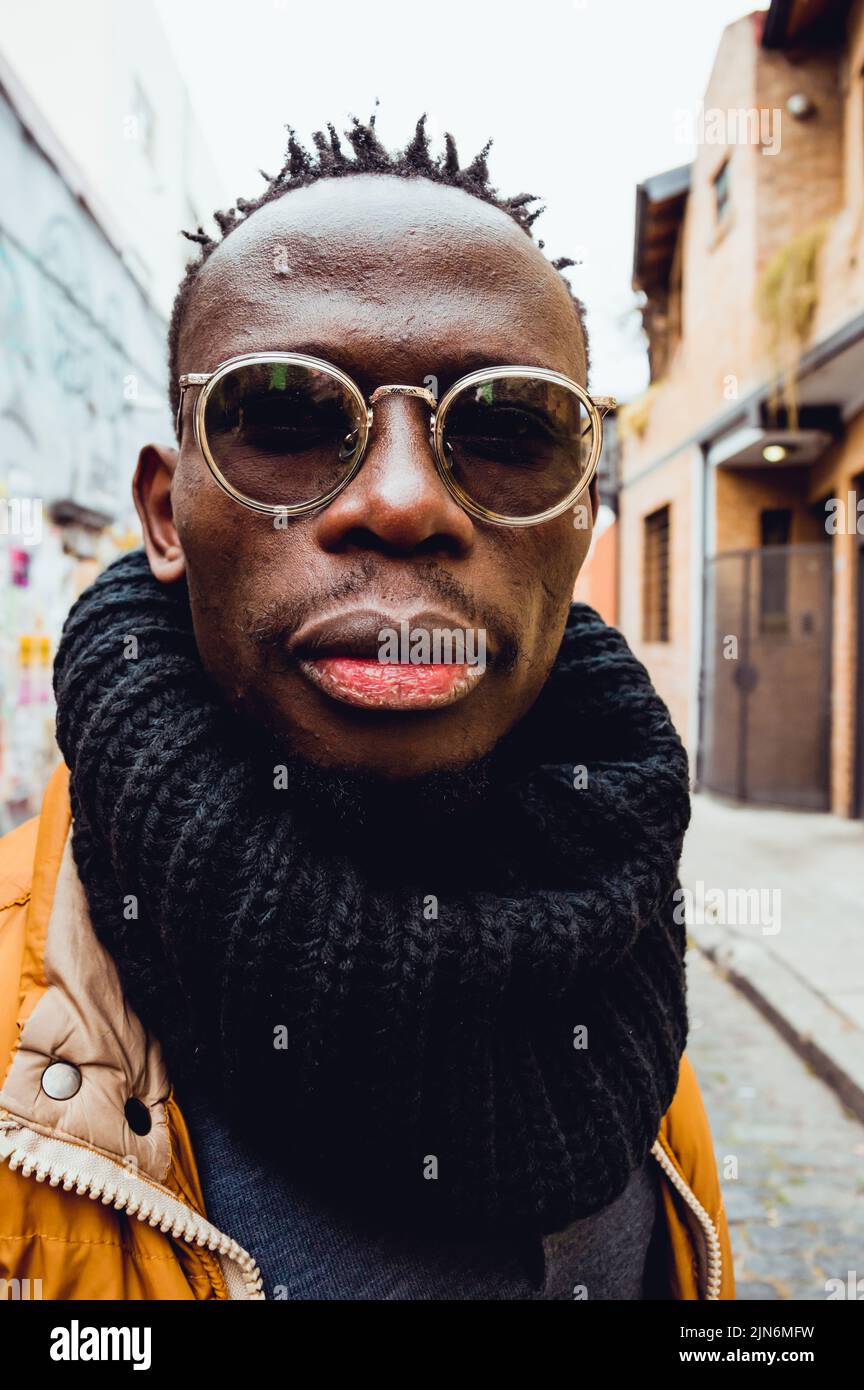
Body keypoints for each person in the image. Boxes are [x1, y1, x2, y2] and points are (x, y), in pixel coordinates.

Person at [0, 115, 733, 1300]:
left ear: (587, 512)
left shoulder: (622, 974)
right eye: (284, 418)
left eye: (505, 430)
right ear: (166, 515)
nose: (402, 502)